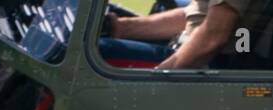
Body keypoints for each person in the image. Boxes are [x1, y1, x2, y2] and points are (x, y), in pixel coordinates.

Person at [100, 0, 263, 70]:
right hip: (190, 50)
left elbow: (214, 36)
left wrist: (159, 77)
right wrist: (123, 27)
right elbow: (197, 15)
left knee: (96, 52)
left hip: (206, 66)